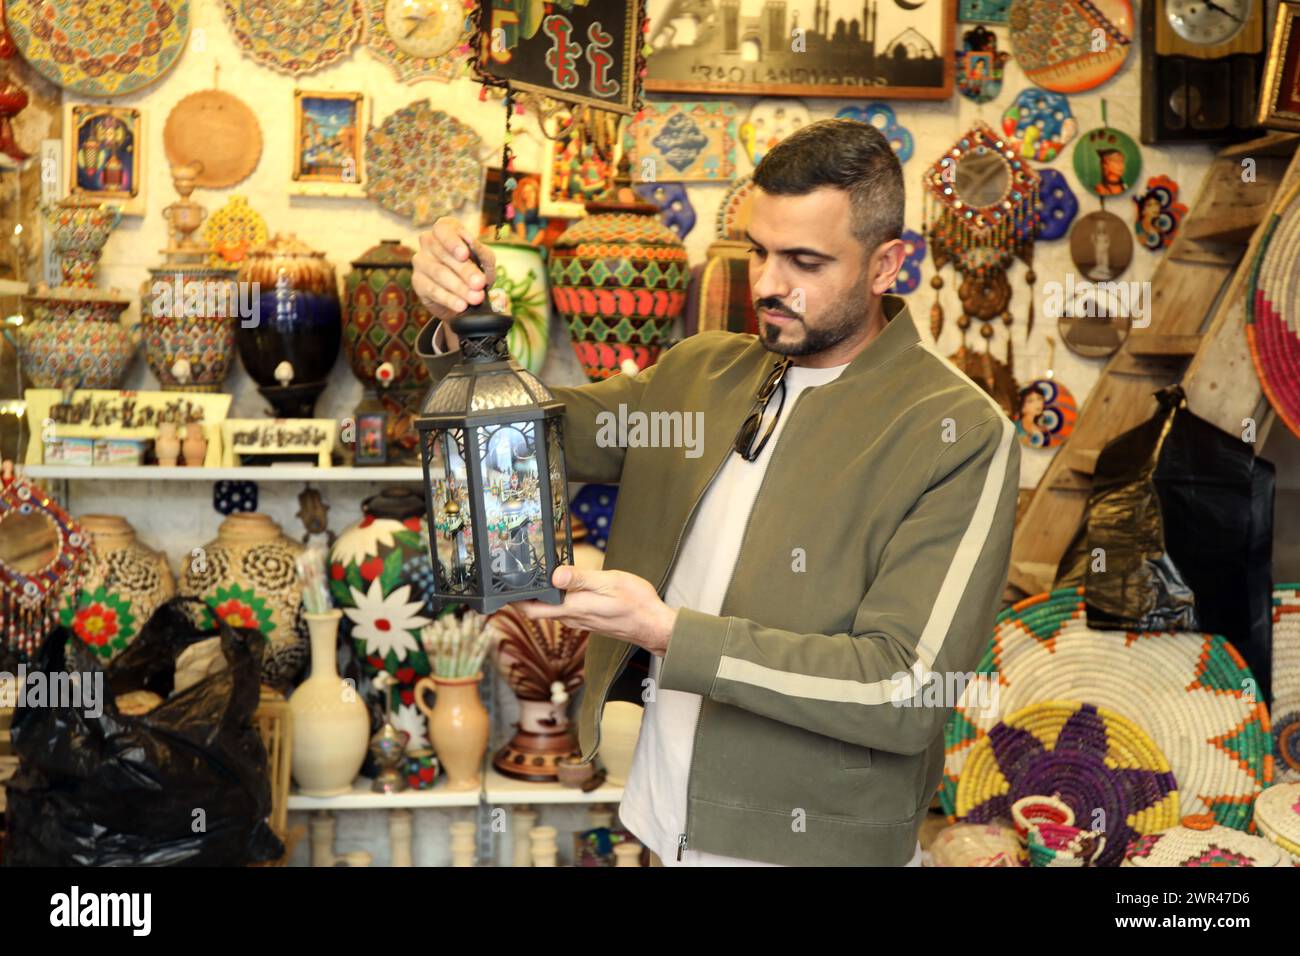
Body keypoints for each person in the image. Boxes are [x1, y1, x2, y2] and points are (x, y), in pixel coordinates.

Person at [413, 118, 1020, 867]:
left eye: (805, 261)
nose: (768, 283)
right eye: (757, 251)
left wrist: (670, 633)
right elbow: (526, 436)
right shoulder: (703, 372)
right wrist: (460, 333)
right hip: (658, 814)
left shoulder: (957, 429)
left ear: (887, 263)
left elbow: (904, 690)